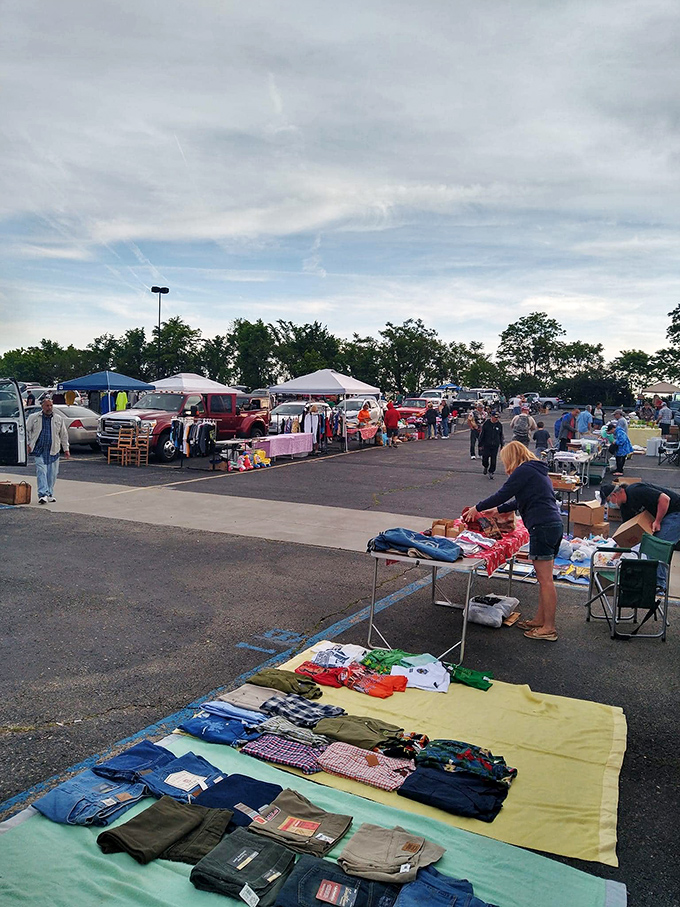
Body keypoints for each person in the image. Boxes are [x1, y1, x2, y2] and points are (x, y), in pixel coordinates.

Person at [462, 441, 562, 641]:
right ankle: (540, 620)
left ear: (512, 458)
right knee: (544, 579)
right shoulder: (537, 470)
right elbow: (521, 499)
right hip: (551, 524)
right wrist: (497, 510)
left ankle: (549, 628)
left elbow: (503, 493)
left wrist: (477, 508)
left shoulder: (524, 470)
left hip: (542, 526)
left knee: (545, 580)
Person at [600, 482, 680, 592]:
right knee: (650, 545)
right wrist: (617, 554)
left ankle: (660, 585)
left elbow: (665, 499)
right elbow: (627, 533)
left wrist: (657, 521)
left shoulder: (635, 490)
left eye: (609, 501)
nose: (610, 505)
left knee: (655, 546)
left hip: (675, 512)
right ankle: (654, 582)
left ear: (614, 495)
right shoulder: (625, 508)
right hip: (665, 515)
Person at [26, 397, 70, 504]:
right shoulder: (34, 417)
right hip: (39, 450)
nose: (49, 408)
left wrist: (66, 449)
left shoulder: (58, 419)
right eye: (47, 406)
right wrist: (28, 444)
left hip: (53, 451)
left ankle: (49, 493)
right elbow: (26, 431)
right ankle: (43, 494)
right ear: (42, 406)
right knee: (41, 472)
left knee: (52, 474)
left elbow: (63, 435)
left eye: (51, 405)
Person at [477, 411, 504, 479]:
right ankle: (485, 466)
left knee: (493, 459)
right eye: (495, 417)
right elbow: (482, 434)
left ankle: (491, 471)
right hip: (486, 444)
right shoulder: (486, 424)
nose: (496, 419)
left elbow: (501, 435)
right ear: (491, 417)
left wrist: (502, 445)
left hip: (495, 445)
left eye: (497, 418)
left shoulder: (499, 425)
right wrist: (480, 444)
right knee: (485, 458)